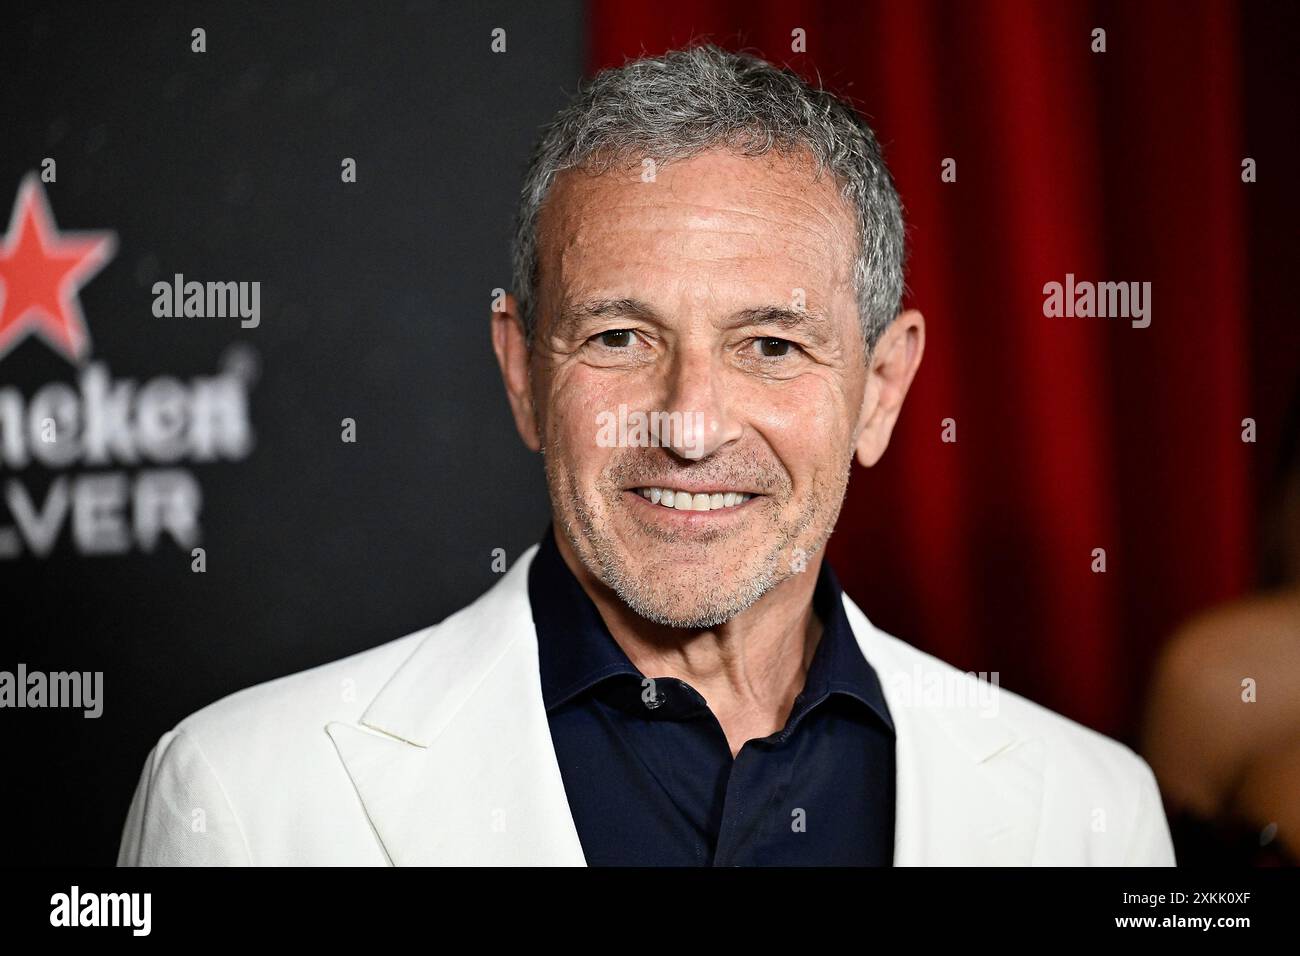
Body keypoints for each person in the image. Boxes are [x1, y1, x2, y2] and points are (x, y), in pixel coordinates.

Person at [117, 44, 1175, 866]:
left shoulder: (1087, 809)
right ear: (524, 372)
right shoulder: (245, 794)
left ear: (881, 388)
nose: (690, 423)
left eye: (770, 344)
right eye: (620, 337)